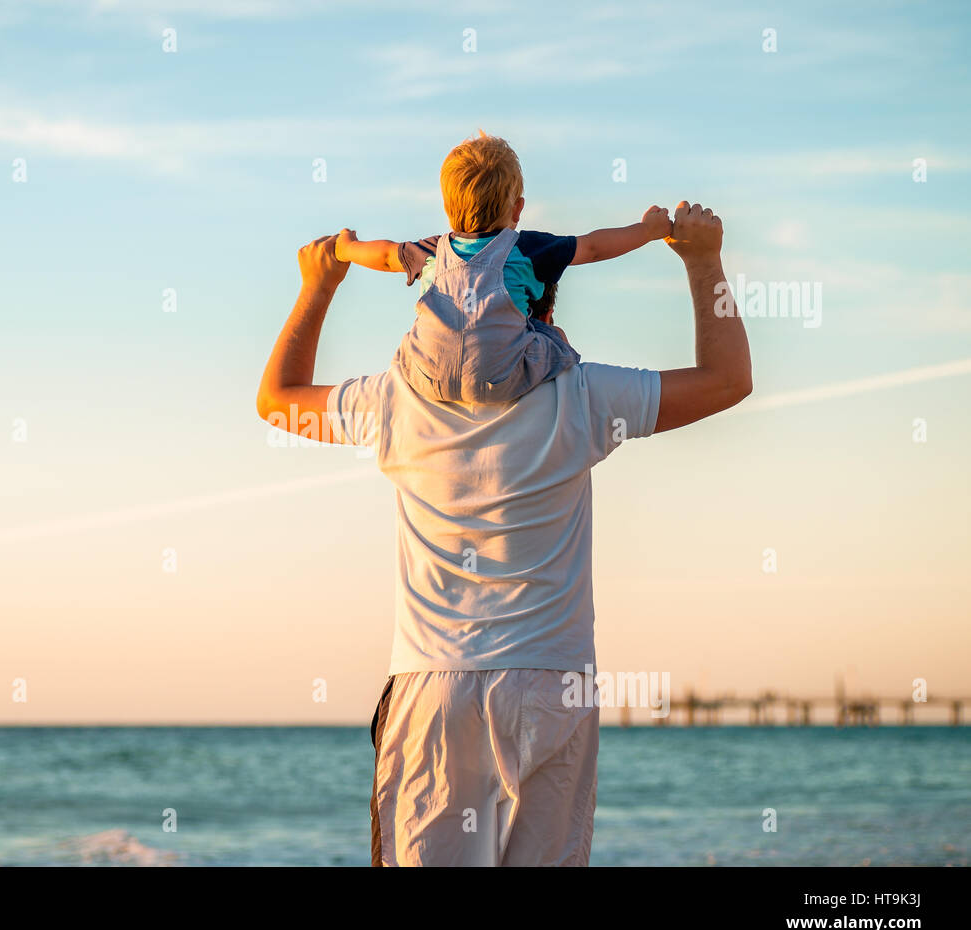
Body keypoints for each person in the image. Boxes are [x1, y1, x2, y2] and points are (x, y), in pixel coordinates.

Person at [256, 200, 751, 866]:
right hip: (550, 682)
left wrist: (319, 285)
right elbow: (727, 380)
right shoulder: (583, 395)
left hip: (432, 682)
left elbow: (279, 396)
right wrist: (703, 261)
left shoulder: (397, 400)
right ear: (544, 314)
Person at [334, 132, 671, 403]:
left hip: (426, 376)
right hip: (501, 378)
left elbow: (384, 255)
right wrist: (649, 230)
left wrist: (346, 247)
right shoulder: (526, 249)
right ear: (518, 208)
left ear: (448, 207)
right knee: (554, 339)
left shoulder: (431, 251)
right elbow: (594, 247)